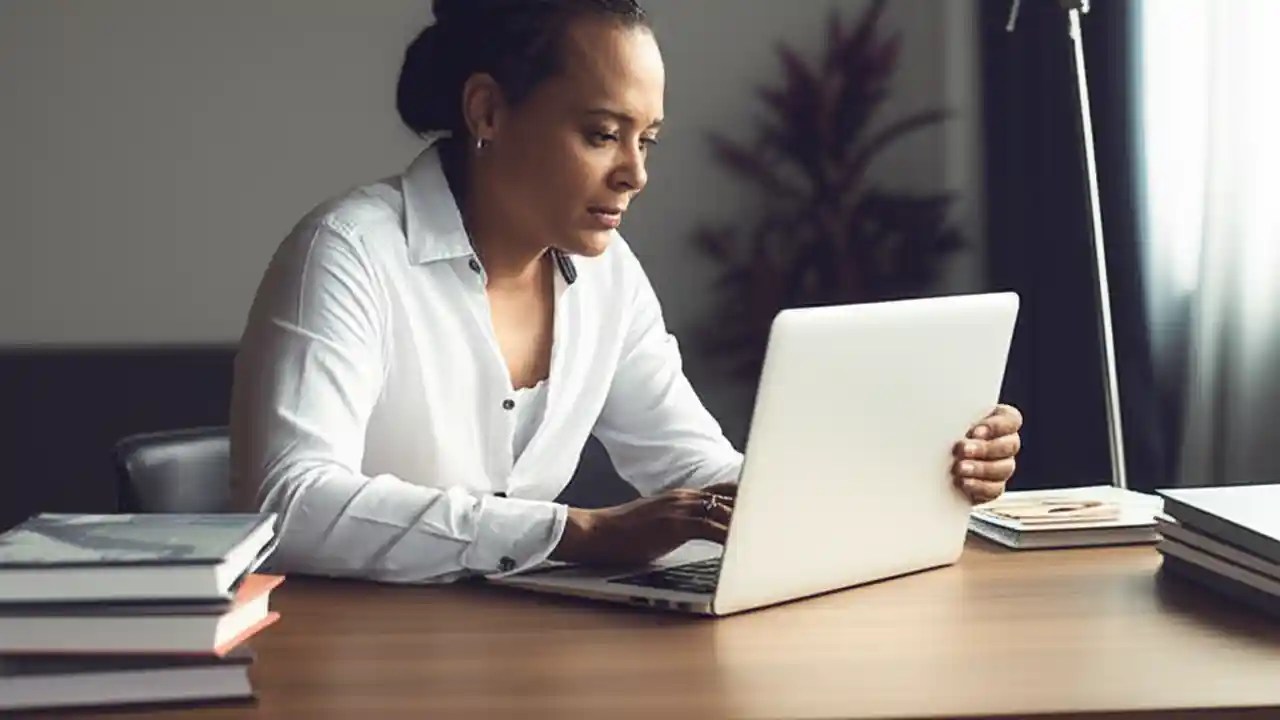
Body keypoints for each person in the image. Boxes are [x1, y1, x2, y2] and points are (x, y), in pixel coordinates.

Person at [230, 0, 1024, 584]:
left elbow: (696, 468)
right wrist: (573, 532)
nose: (635, 175)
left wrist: (916, 467)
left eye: (645, 140)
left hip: (520, 653)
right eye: (602, 134)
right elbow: (291, 506)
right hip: (346, 663)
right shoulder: (349, 254)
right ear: (489, 110)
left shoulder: (608, 277)